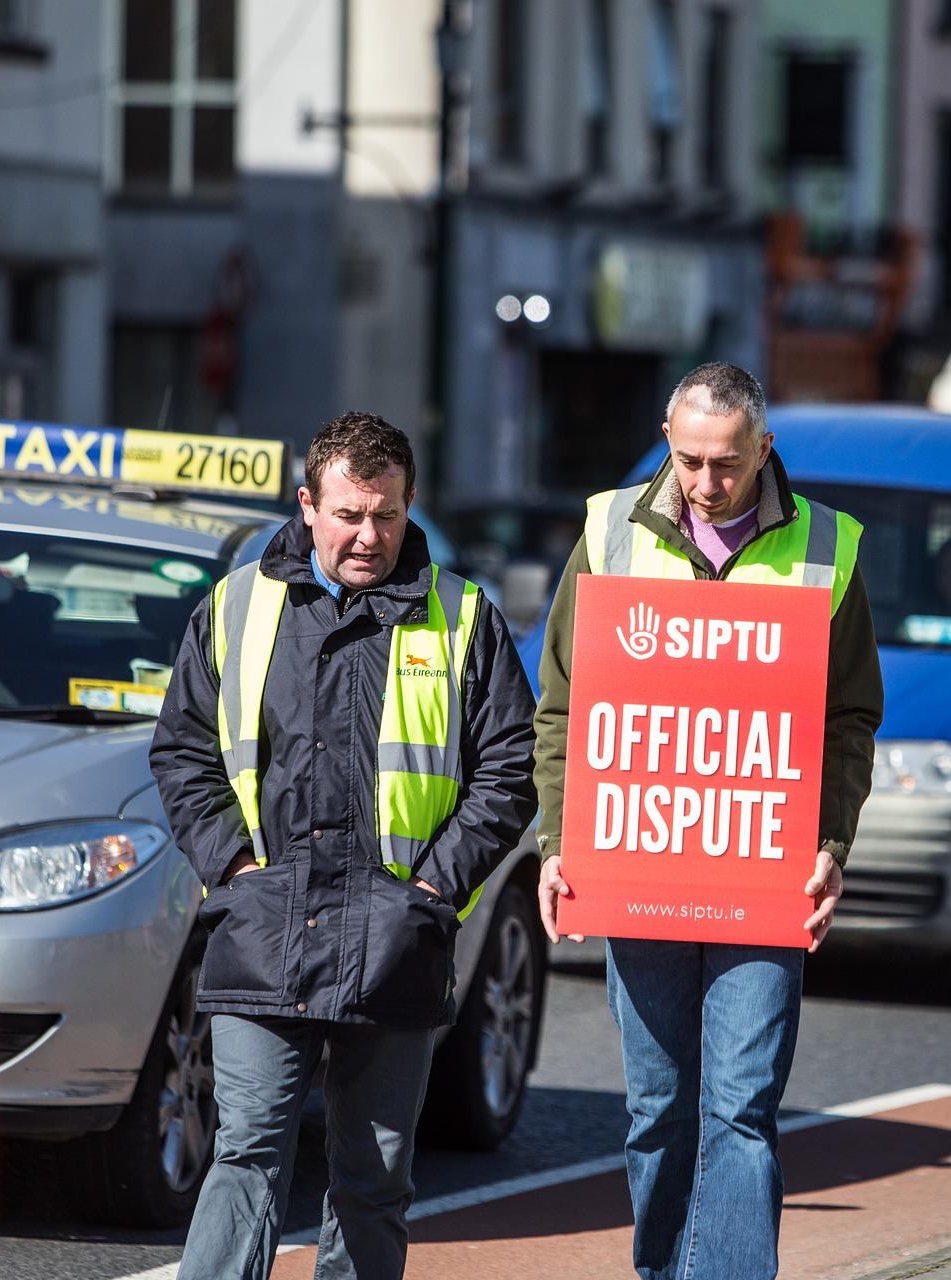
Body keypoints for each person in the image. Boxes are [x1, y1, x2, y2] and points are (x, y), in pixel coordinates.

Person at [150, 410, 536, 1280]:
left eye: (388, 514)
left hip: (394, 940)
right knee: (245, 1152)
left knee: (372, 1178)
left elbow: (509, 770)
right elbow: (182, 749)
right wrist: (236, 871)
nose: (370, 535)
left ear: (409, 505)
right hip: (263, 928)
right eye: (351, 514)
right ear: (308, 506)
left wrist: (434, 892)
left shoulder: (464, 617)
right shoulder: (238, 606)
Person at [534, 363, 883, 1280]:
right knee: (658, 1107)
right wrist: (556, 842)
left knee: (739, 1106)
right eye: (687, 458)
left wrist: (830, 844)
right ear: (664, 434)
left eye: (725, 462)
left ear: (764, 448)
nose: (704, 482)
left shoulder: (828, 546)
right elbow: (562, 709)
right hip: (637, 864)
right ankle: (662, 1269)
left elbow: (848, 718)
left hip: (763, 872)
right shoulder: (608, 530)